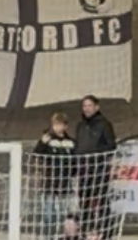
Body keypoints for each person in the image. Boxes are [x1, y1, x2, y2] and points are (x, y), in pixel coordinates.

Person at [74, 95, 116, 230]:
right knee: (84, 199)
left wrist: (94, 152)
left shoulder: (104, 124)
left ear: (96, 107)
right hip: (83, 169)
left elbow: (111, 146)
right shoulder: (80, 126)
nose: (86, 108)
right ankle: (87, 227)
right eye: (84, 106)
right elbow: (77, 146)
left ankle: (105, 228)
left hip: (99, 169)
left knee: (101, 199)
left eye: (89, 105)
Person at [33, 111, 77, 229]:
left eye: (60, 124)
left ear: (66, 126)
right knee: (49, 214)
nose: (58, 127)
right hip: (49, 183)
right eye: (55, 124)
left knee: (66, 214)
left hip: (65, 184)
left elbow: (75, 162)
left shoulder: (71, 142)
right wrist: (42, 143)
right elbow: (37, 154)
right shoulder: (48, 140)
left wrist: (73, 173)